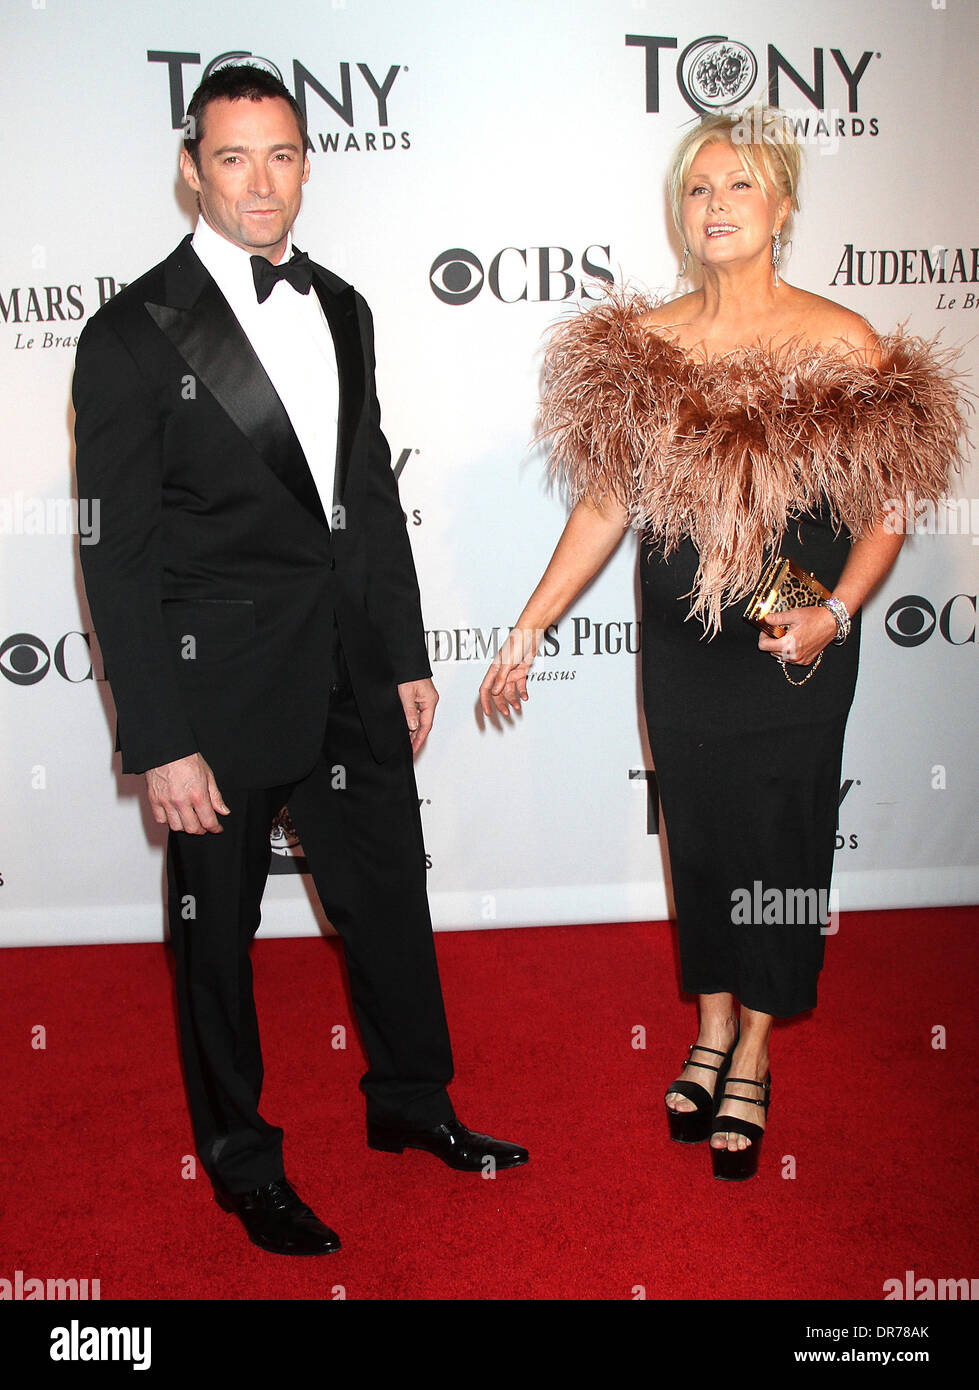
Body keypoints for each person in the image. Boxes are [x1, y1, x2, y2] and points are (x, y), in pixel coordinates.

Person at [73, 62, 526, 1256]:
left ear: (309, 164)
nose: (259, 182)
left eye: (280, 155)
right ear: (191, 170)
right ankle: (240, 1162)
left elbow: (366, 492)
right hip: (213, 689)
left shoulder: (342, 305)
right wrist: (157, 733)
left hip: (348, 667)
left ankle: (411, 1105)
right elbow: (116, 558)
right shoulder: (128, 336)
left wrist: (406, 650)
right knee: (215, 934)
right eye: (232, 158)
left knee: (387, 894)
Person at [479, 107, 966, 1180]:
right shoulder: (646, 346)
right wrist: (527, 624)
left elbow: (887, 506)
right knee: (694, 835)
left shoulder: (840, 341)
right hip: (686, 633)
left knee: (779, 836)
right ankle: (708, 1021)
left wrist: (832, 611)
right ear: (677, 210)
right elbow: (606, 506)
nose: (716, 206)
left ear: (784, 203)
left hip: (796, 626)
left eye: (740, 185)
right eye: (698, 188)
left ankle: (753, 1043)